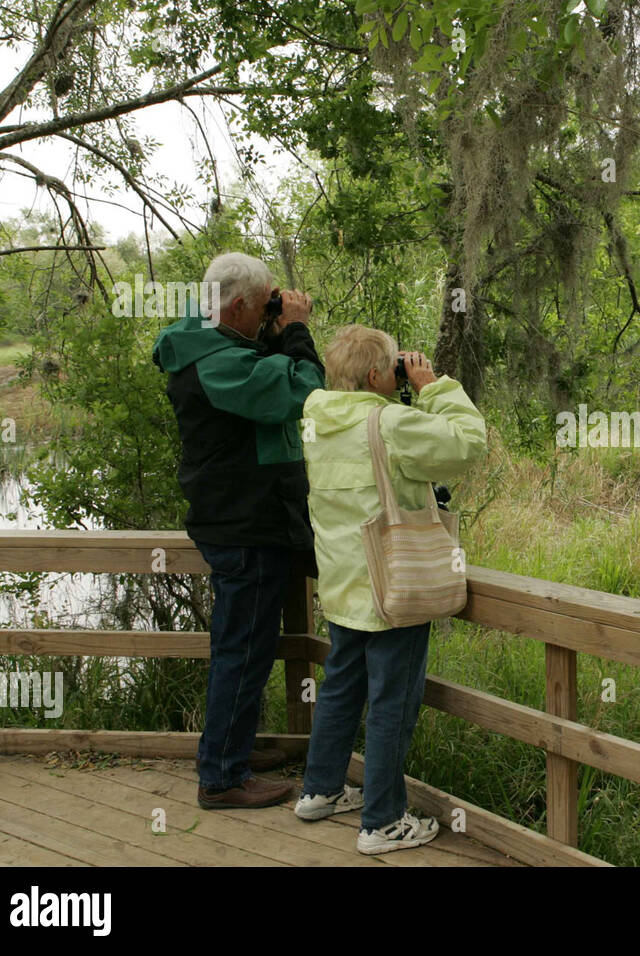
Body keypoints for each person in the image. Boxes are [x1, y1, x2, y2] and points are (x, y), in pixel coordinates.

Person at [292, 325, 486, 854]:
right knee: (391, 703)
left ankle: (320, 790)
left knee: (338, 689)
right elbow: (470, 443)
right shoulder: (390, 422)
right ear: (378, 375)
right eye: (391, 366)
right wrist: (433, 386)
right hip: (393, 585)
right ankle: (382, 822)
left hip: (343, 584)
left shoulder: (316, 416)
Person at [151, 252, 325, 809]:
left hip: (239, 519)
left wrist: (270, 325)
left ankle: (232, 749)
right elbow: (300, 391)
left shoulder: (206, 338)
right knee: (243, 650)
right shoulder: (218, 364)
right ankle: (222, 777)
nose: (269, 313)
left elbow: (253, 365)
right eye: (263, 303)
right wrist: (295, 330)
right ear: (239, 305)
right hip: (244, 524)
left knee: (244, 645)